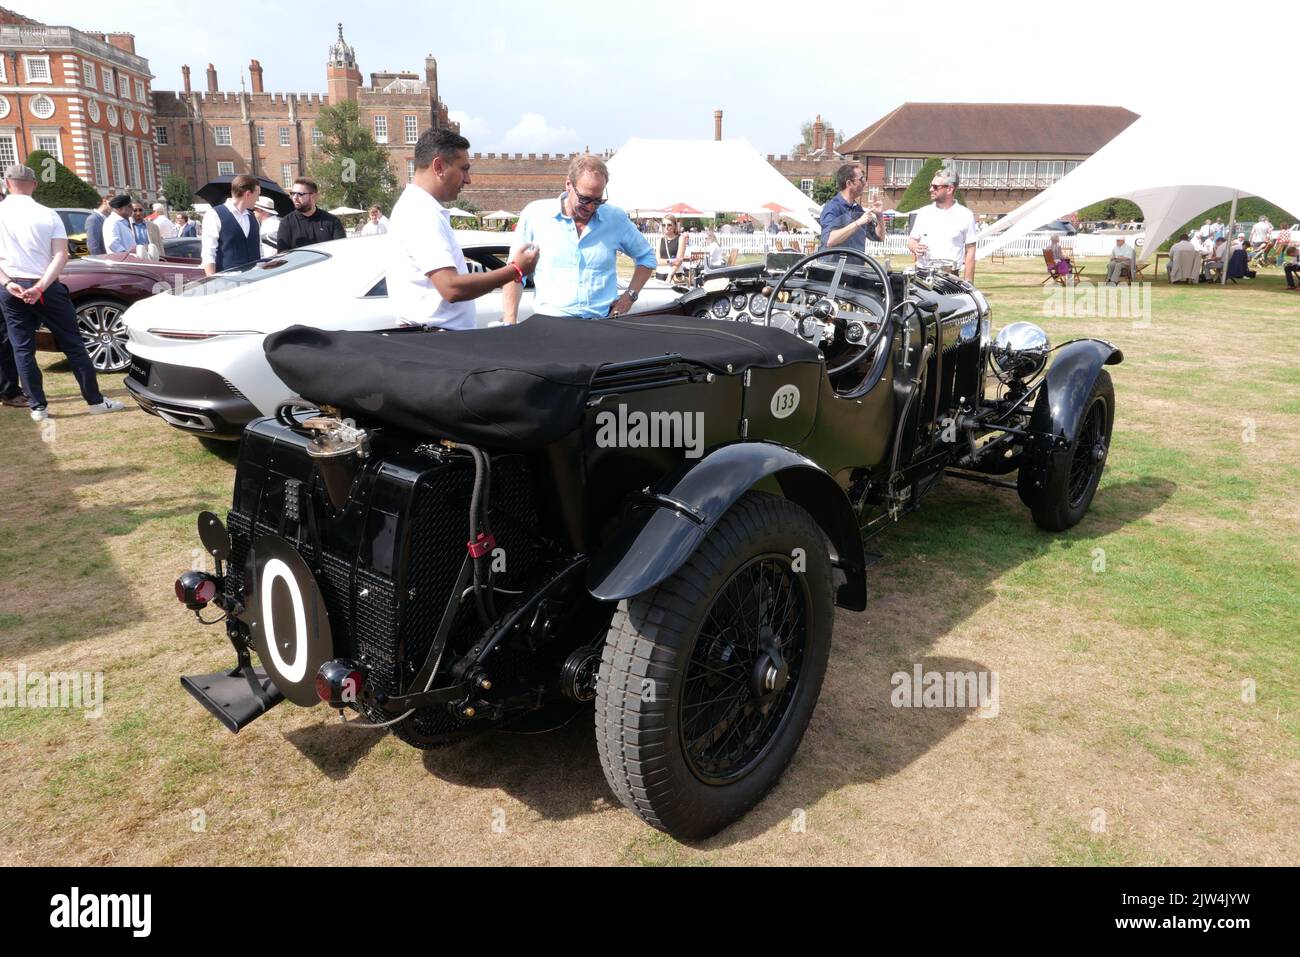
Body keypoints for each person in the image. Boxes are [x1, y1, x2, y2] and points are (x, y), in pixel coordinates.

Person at [0, 163, 125, 421]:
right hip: (44, 284)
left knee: (22, 348)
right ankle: (94, 400)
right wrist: (41, 286)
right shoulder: (47, 214)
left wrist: (6, 282)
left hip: (11, 285)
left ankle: (38, 407)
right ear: (34, 184)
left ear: (7, 184)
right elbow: (61, 255)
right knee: (73, 343)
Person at [387, 128, 538, 329]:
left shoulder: (419, 208)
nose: (468, 179)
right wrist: (515, 270)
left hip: (434, 337)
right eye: (464, 169)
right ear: (439, 166)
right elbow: (451, 288)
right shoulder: (421, 212)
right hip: (435, 340)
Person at [503, 153, 655, 322]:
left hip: (601, 325)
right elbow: (515, 272)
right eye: (584, 199)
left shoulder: (615, 218)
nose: (590, 207)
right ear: (568, 184)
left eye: (598, 201)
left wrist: (629, 297)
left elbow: (646, 257)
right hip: (551, 326)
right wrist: (510, 322)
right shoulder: (536, 215)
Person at [908, 164, 978, 280]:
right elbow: (912, 240)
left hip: (950, 277)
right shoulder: (924, 213)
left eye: (935, 187)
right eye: (931, 186)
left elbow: (970, 251)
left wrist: (968, 283)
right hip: (922, 275)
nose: (931, 189)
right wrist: (915, 247)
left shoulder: (965, 215)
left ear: (950, 189)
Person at [200, 173, 261, 276]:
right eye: (257, 195)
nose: (258, 199)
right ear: (248, 194)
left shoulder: (253, 217)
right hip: (227, 282)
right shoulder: (214, 215)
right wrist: (211, 281)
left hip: (254, 280)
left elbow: (259, 249)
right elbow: (208, 253)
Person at [820, 162, 885, 251]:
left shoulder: (858, 209)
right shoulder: (832, 207)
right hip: (833, 264)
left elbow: (879, 237)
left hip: (854, 265)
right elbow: (829, 240)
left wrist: (879, 215)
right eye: (861, 179)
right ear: (849, 183)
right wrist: (858, 223)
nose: (865, 183)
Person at [277, 178, 346, 252]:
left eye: (300, 194)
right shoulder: (286, 223)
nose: (295, 197)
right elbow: (283, 254)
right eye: (293, 193)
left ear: (313, 196)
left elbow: (341, 250)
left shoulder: (332, 221)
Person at [656, 214, 688, 281]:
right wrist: (671, 261)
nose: (666, 227)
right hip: (660, 273)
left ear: (675, 226)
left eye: (669, 225)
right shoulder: (660, 240)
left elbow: (679, 261)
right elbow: (658, 261)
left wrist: (670, 275)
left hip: (675, 274)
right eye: (664, 225)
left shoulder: (681, 239)